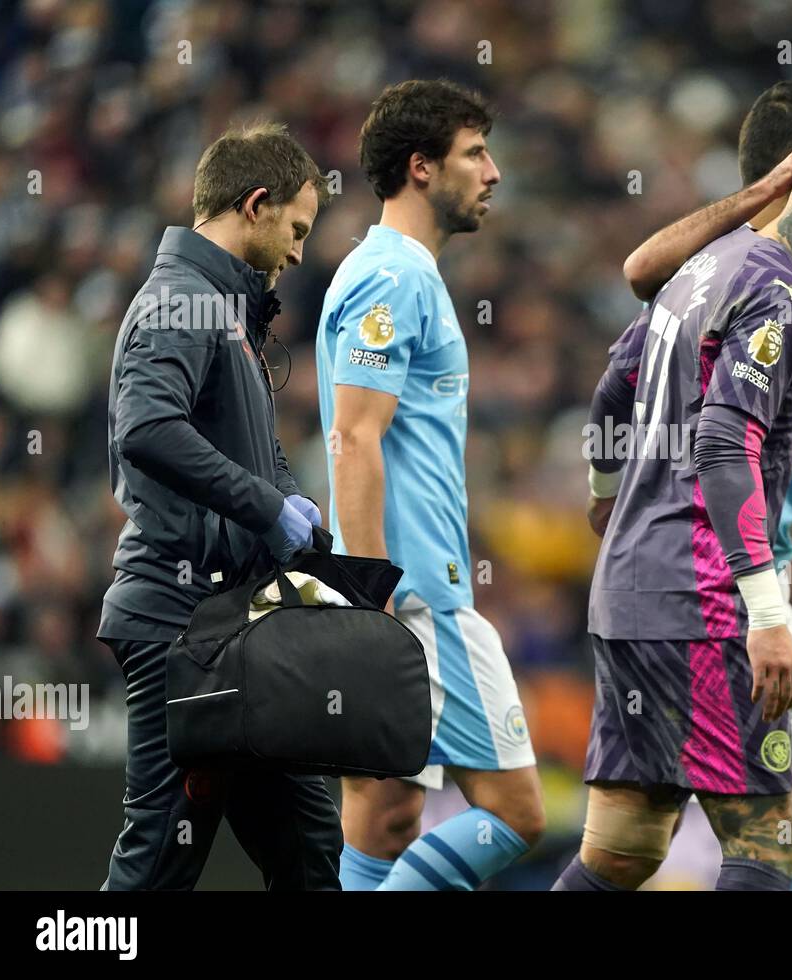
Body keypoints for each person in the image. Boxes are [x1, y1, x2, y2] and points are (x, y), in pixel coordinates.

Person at [555, 126, 792, 891]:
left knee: (624, 846)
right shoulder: (781, 289)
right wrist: (765, 612)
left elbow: (613, 388)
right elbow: (726, 445)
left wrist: (603, 496)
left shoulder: (702, 269)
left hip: (628, 589)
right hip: (700, 600)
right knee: (773, 836)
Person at [317, 79, 545, 891]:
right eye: (475, 153)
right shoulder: (394, 280)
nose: (493, 172)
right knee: (519, 812)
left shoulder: (393, 273)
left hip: (393, 590)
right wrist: (374, 598)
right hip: (415, 598)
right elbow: (351, 437)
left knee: (387, 818)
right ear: (421, 167)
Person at [99, 122, 336, 890]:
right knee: (162, 858)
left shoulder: (228, 313)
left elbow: (257, 461)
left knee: (309, 849)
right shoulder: (182, 300)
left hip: (236, 627)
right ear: (257, 204)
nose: (300, 252)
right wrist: (268, 506)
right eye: (297, 229)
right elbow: (148, 427)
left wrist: (296, 510)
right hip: (180, 621)